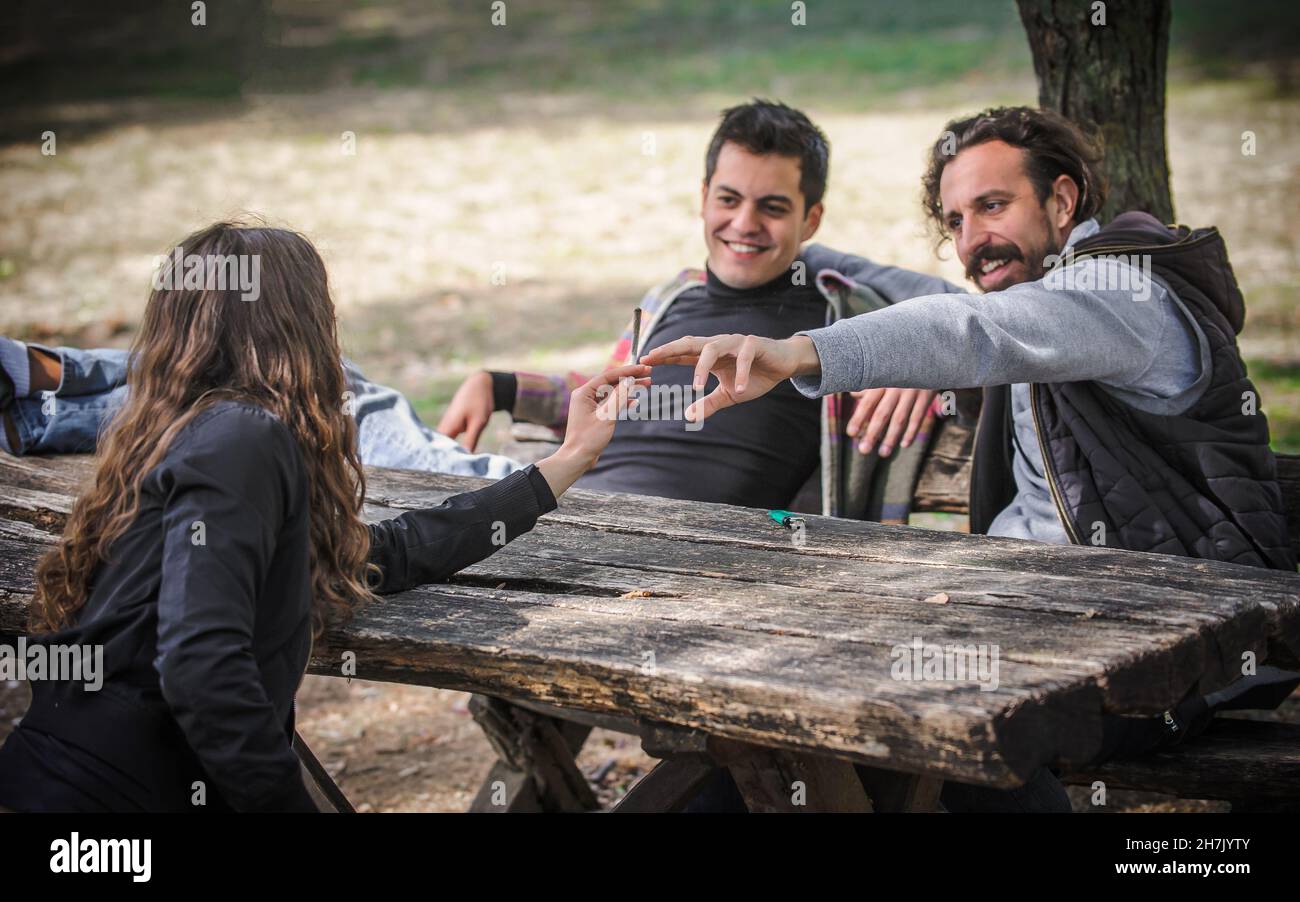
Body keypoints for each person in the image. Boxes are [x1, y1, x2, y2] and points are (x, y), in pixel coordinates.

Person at [644, 106, 1297, 811]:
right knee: (779, 697)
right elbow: (938, 302)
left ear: (1062, 199)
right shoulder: (1035, 297)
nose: (972, 242)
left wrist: (807, 352)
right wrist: (774, 243)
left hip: (1176, 649)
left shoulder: (1123, 294)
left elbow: (977, 329)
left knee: (913, 718)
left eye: (993, 206)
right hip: (1034, 619)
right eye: (954, 222)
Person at [2, 100, 956, 525]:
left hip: (600, 525)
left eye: (775, 207)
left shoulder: (833, 314)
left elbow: (967, 319)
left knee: (308, 392)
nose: (744, 225)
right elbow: (613, 406)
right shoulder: (671, 300)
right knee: (305, 385)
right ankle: (40, 385)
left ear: (814, 218)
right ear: (704, 193)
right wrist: (504, 382)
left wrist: (918, 368)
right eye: (729, 198)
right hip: (536, 487)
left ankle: (31, 386)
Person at [0, 221, 645, 812]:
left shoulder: (197, 435)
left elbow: (385, 552)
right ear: (298, 325)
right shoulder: (240, 440)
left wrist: (569, 459)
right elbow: (201, 664)